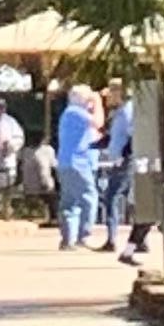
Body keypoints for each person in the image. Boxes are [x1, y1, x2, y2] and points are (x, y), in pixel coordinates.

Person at [52, 76, 101, 248]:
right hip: (77, 163)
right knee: (89, 197)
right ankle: (84, 234)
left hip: (68, 162)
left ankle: (68, 239)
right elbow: (98, 122)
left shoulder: (70, 114)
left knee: (70, 200)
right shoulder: (76, 112)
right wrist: (98, 101)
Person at [99, 80, 136, 250]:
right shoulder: (119, 113)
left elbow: (131, 136)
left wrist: (124, 155)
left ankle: (112, 240)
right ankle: (140, 240)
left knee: (111, 197)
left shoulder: (127, 112)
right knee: (132, 201)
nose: (108, 98)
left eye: (112, 93)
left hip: (124, 161)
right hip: (120, 160)